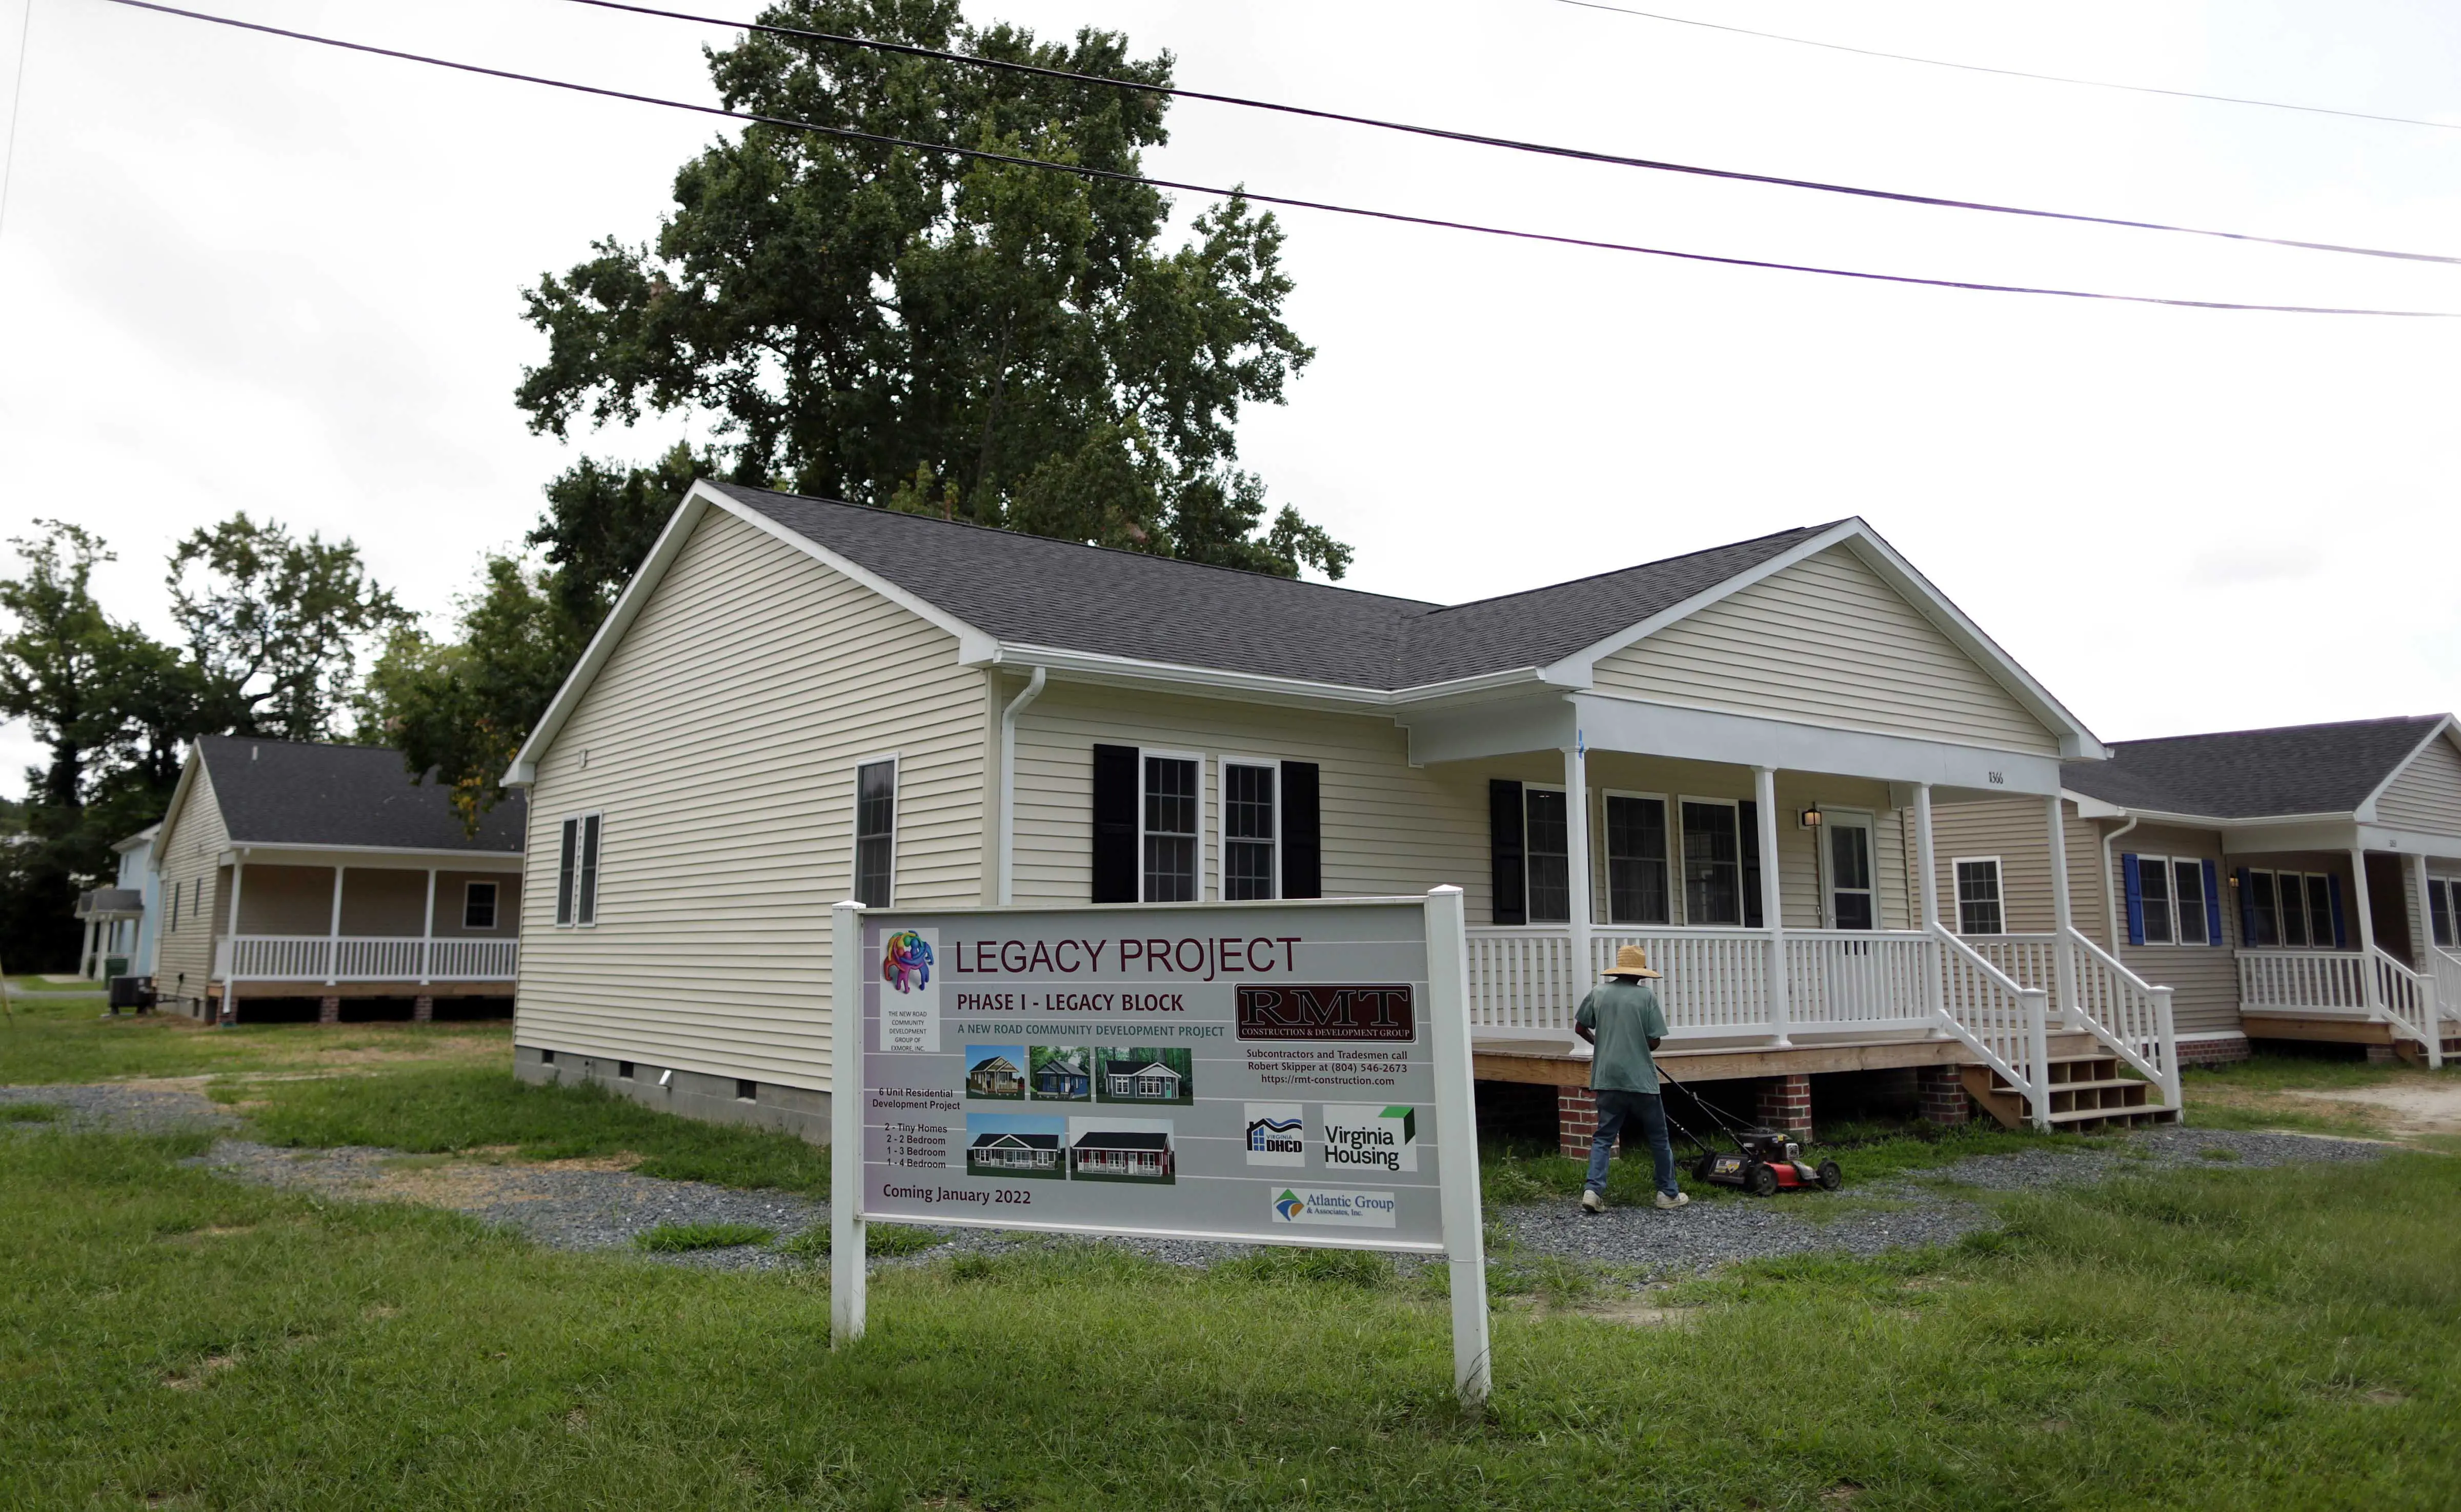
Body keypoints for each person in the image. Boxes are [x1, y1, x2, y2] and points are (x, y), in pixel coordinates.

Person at [1574, 944, 1686, 1213]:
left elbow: (1580, 1027)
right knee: (1658, 1137)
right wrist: (1638, 1045)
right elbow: (1655, 1040)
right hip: (1641, 1080)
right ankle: (1668, 1193)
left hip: (1607, 1077)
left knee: (1604, 1137)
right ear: (1640, 973)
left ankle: (1593, 1191)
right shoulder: (1645, 997)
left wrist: (1600, 1043)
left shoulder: (1598, 993)